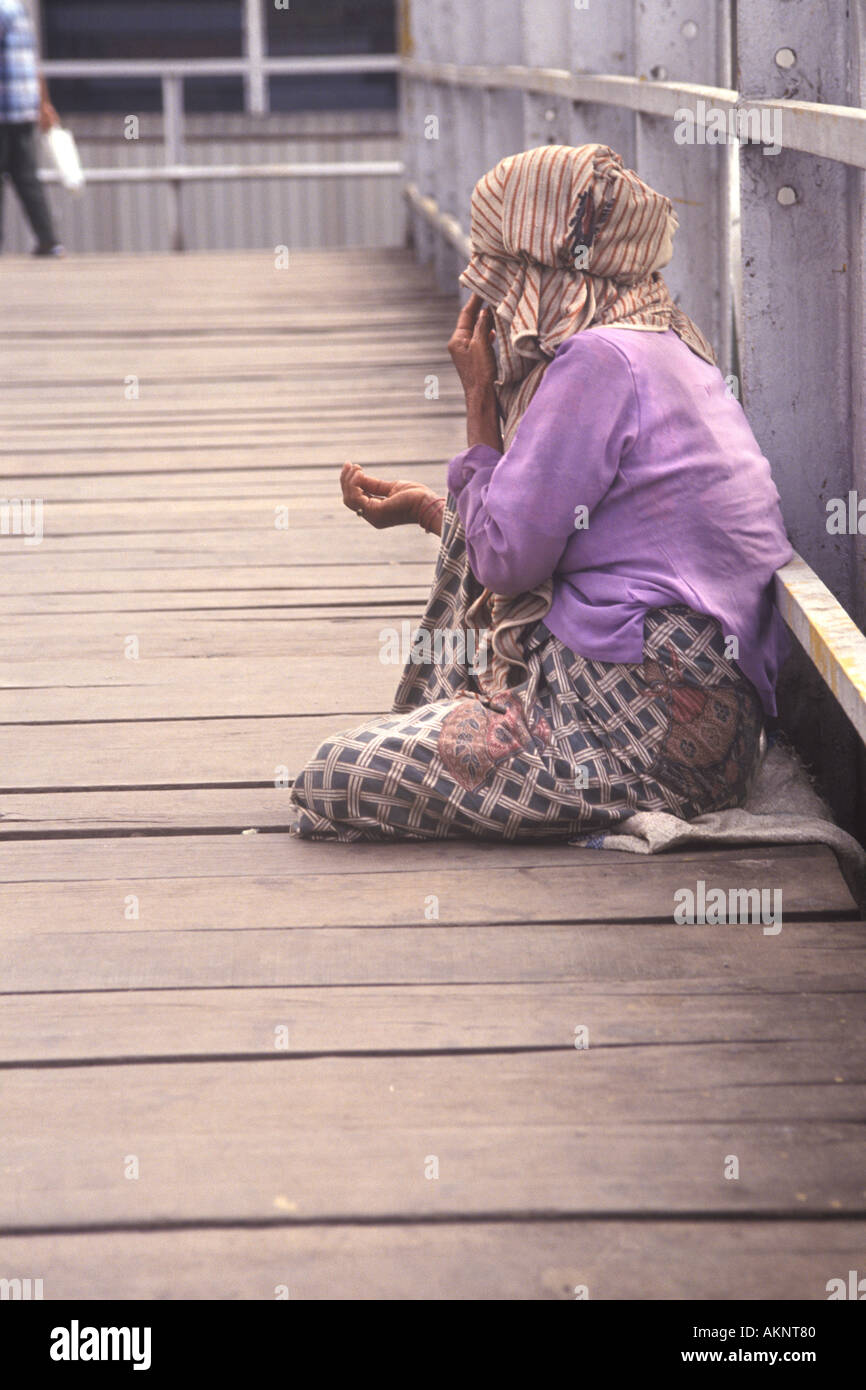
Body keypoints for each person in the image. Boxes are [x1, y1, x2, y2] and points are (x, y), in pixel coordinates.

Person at [291, 142, 793, 842]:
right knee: (463, 560)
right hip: (714, 727)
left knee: (332, 773)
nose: (489, 301)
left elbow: (507, 561)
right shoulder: (668, 342)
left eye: (499, 273)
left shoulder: (596, 362)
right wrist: (429, 509)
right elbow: (571, 530)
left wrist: (479, 404)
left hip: (633, 727)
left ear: (539, 271)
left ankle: (536, 754)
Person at [0, 0, 63, 255]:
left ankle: (48, 241)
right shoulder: (18, 8)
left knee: (23, 178)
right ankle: (48, 241)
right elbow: (33, 63)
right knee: (27, 179)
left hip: (6, 108)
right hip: (23, 107)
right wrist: (44, 102)